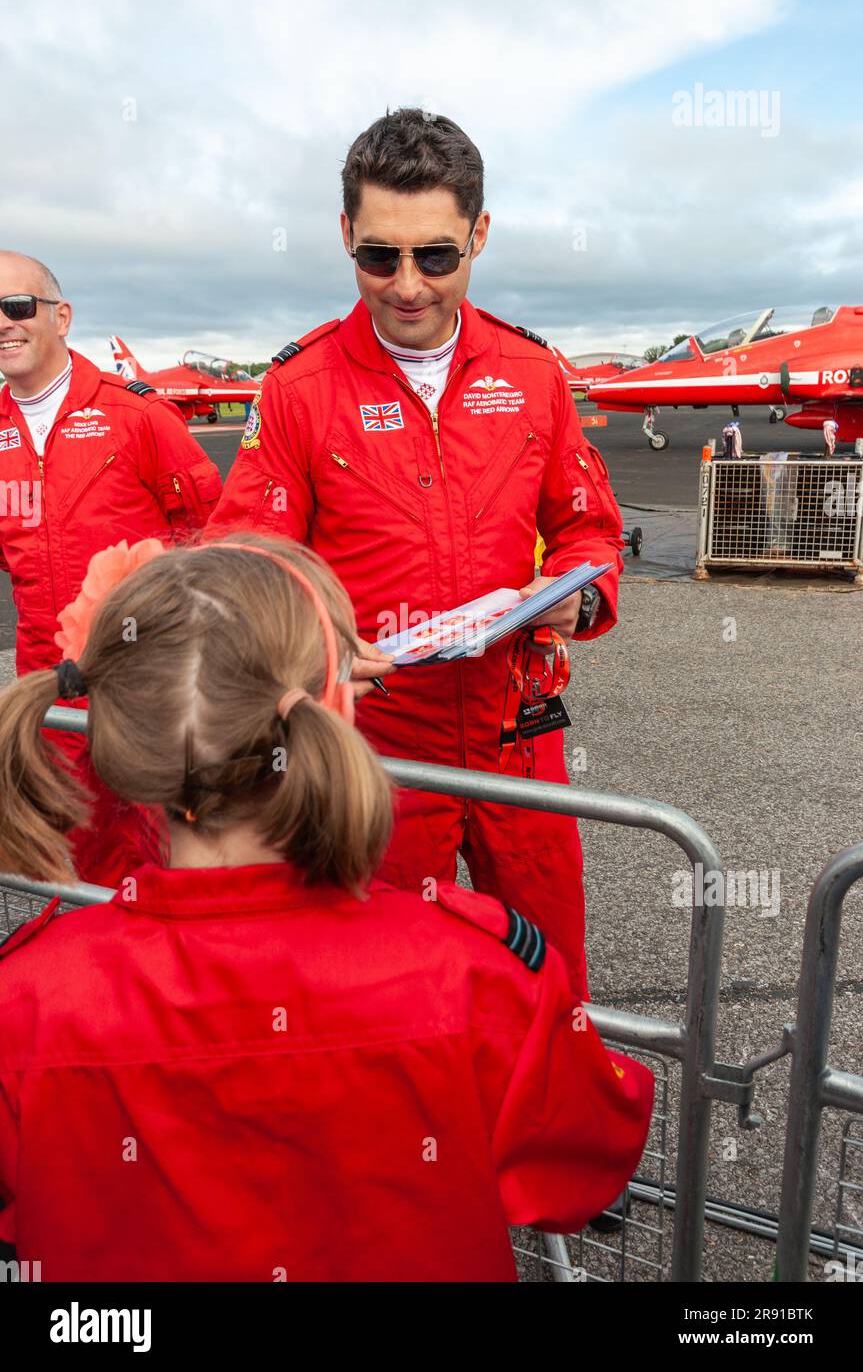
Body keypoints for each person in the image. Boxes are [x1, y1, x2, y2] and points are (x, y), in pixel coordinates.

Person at [0, 533, 652, 1282]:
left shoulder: (27, 994)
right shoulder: (475, 970)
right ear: (330, 714)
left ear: (122, 735)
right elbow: (581, 1170)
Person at [205, 109, 624, 1000]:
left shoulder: (534, 375)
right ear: (345, 235)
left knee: (551, 989)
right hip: (373, 751)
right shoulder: (296, 388)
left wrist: (576, 598)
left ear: (478, 235)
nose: (406, 285)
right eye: (378, 256)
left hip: (520, 740)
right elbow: (245, 559)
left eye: (435, 256)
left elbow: (588, 527)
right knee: (379, 997)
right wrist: (311, 652)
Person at [0, 250, 223, 885]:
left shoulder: (139, 416)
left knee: (168, 849)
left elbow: (210, 534)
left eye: (16, 307)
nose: (2, 324)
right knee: (74, 846)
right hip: (49, 687)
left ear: (61, 316)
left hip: (147, 684)